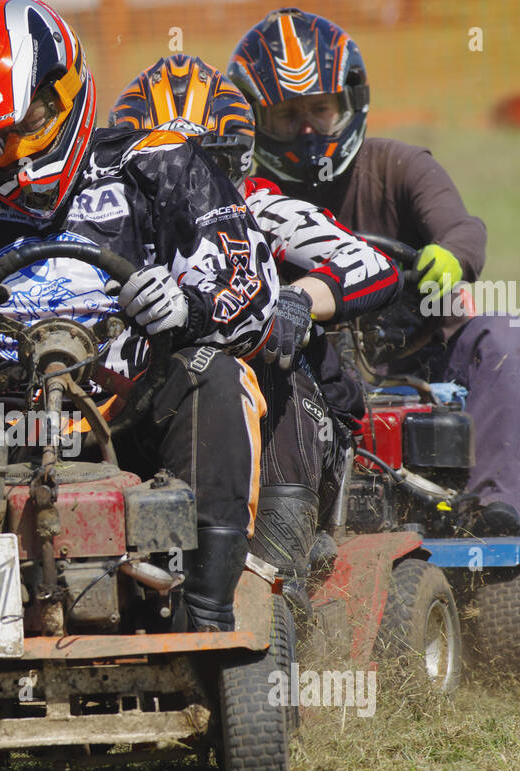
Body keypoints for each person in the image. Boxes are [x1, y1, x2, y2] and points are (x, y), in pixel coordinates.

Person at [0, 0, 300, 633]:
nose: (16, 158)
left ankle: (205, 611)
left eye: (30, 123)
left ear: (67, 90)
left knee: (219, 373)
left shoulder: (160, 163)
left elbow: (255, 292)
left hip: (131, 426)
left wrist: (186, 308)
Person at [228, 8, 520, 538]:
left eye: (321, 110)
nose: (307, 132)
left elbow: (464, 231)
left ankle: (499, 506)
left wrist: (449, 257)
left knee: (506, 336)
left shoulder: (399, 166)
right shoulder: (246, 196)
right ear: (255, 121)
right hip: (299, 368)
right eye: (288, 117)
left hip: (423, 356)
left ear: (349, 105)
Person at [110, 54, 398, 605]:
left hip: (295, 410)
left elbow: (373, 266)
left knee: (267, 364)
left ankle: (274, 577)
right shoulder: (101, 217)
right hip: (152, 402)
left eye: (203, 160)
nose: (181, 176)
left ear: (237, 161)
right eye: (159, 157)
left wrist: (296, 300)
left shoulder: (259, 205)